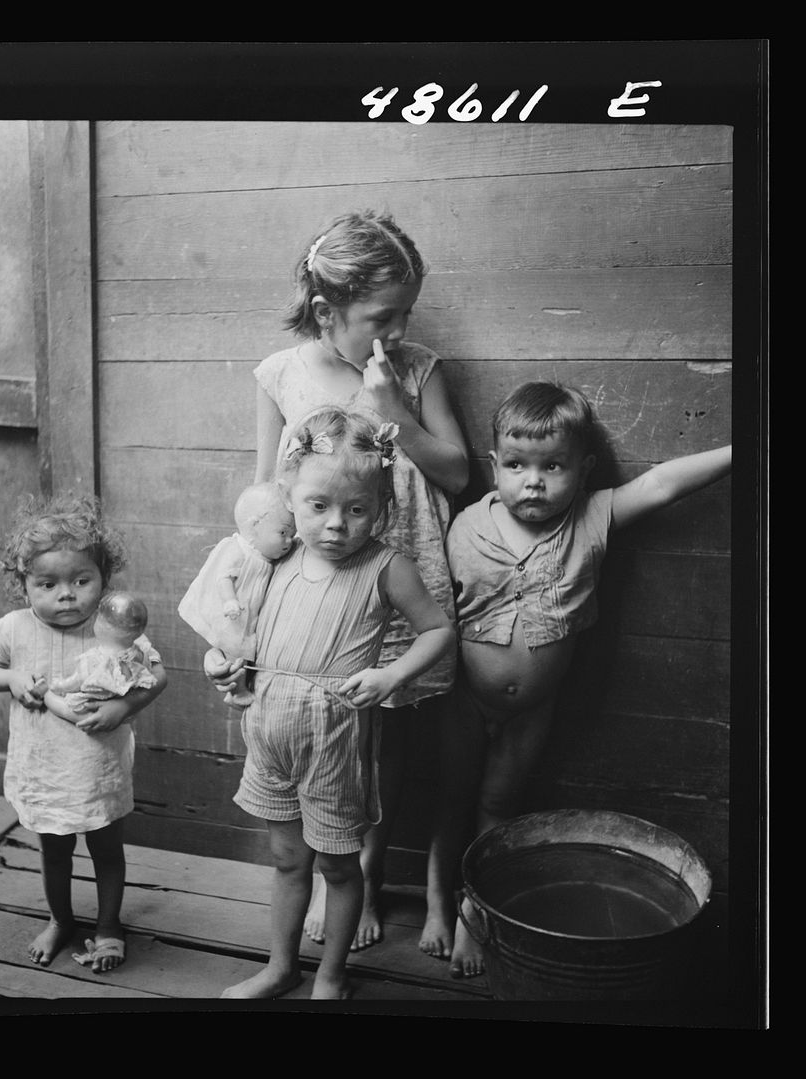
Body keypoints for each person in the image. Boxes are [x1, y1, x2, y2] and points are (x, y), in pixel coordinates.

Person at [426, 380, 732, 977]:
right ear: (494, 466)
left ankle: (473, 913)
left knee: (497, 809)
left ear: (584, 469)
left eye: (553, 466)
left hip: (534, 709)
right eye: (515, 465)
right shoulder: (466, 525)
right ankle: (437, 906)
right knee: (449, 803)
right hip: (464, 699)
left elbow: (661, 484)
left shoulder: (592, 517)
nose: (532, 481)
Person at [253, 209, 468, 952]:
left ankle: (367, 877)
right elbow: (264, 493)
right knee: (327, 731)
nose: (401, 329)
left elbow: (460, 472)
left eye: (407, 312)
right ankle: (321, 870)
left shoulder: (414, 370)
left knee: (390, 737)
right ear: (325, 310)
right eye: (385, 316)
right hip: (319, 591)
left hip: (399, 574)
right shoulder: (282, 374)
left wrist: (394, 414)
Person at [203, 408, 455, 999]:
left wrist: (391, 675)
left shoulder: (387, 568)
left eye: (357, 509)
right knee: (288, 860)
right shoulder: (272, 562)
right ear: (289, 496)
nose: (337, 525)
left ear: (384, 510)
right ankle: (281, 966)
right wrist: (224, 662)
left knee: (339, 867)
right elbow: (239, 636)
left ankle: (332, 976)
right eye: (319, 506)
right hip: (269, 736)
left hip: (335, 744)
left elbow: (439, 630)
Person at [0, 494, 168, 974]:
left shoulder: (113, 628)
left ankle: (108, 926)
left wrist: (124, 705)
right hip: (45, 769)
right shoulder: (15, 629)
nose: (66, 594)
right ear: (24, 585)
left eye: (81, 581)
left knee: (106, 851)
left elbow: (157, 675)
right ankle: (61, 919)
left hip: (98, 766)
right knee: (55, 851)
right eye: (48, 583)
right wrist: (12, 679)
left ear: (103, 581)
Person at [178, 482, 296, 707]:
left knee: (240, 653)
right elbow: (224, 577)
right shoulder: (238, 550)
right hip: (236, 615)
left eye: (292, 534)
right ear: (254, 526)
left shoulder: (265, 558)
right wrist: (229, 600)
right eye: (283, 532)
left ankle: (238, 686)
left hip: (249, 617)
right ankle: (238, 692)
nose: (289, 541)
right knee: (236, 653)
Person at [43, 590, 160, 715]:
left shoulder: (95, 659)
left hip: (90, 706)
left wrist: (58, 686)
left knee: (63, 706)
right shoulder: (139, 653)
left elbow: (76, 680)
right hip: (121, 704)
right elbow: (149, 673)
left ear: (103, 627)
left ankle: (45, 694)